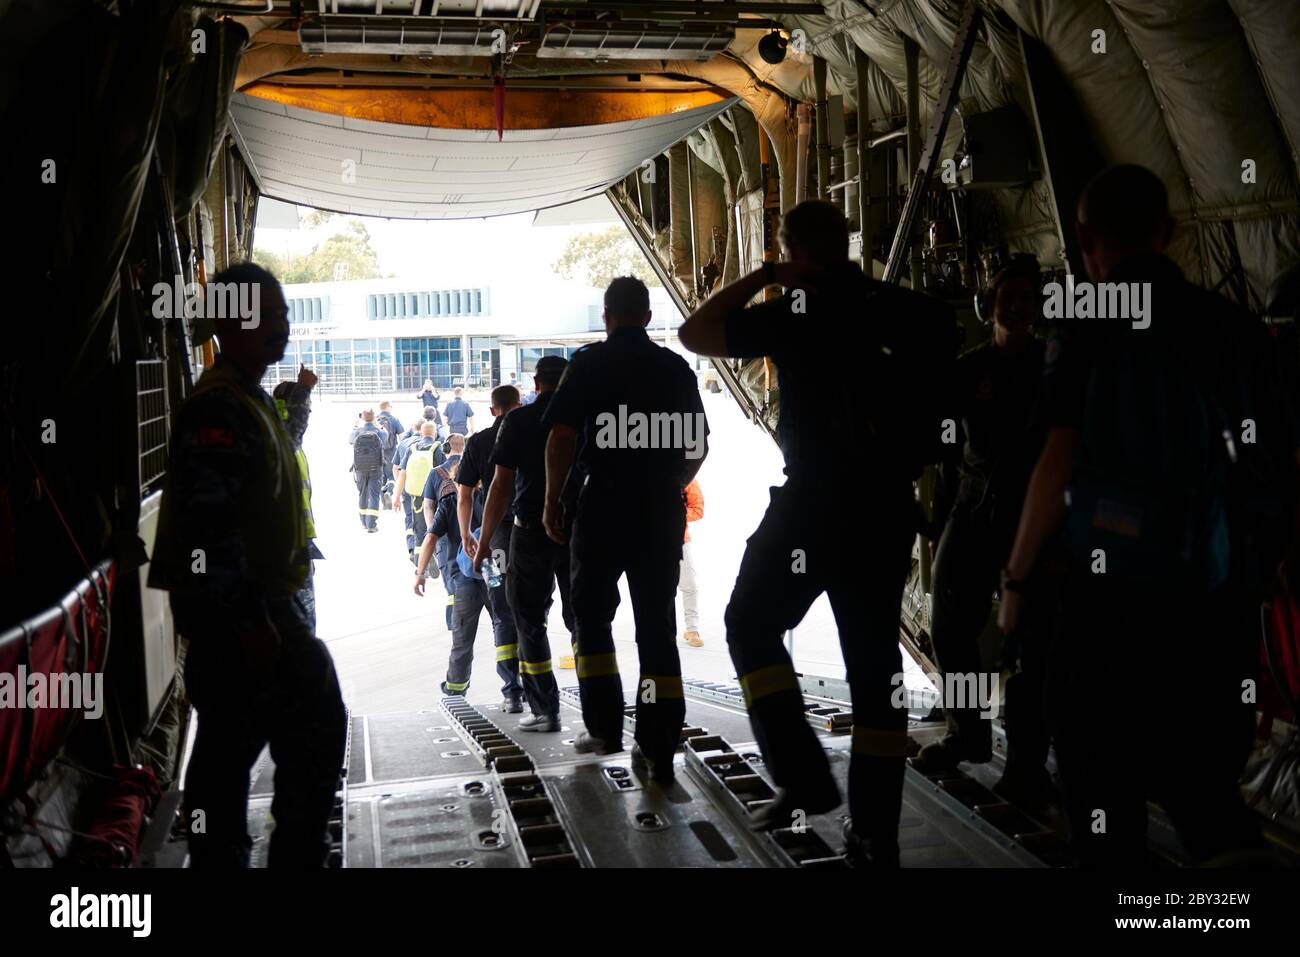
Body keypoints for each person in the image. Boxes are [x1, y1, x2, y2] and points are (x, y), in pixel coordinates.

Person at [998, 164, 1281, 866]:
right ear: (1171, 231)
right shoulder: (1236, 328)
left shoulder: (1085, 328)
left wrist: (1016, 581)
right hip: (1214, 610)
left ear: (1087, 238)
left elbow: (1057, 460)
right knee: (1210, 800)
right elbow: (1278, 465)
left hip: (1106, 609)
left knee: (1102, 807)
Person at [678, 200, 956, 865]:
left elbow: (697, 332)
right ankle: (875, 835)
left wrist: (767, 277)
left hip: (813, 507)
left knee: (749, 623)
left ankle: (803, 776)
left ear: (793, 248)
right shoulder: (905, 309)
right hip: (886, 510)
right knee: (874, 673)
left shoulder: (796, 311)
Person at [147, 261, 345, 868]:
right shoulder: (220, 408)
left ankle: (253, 850)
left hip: (254, 609)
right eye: (269, 313)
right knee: (296, 723)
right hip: (244, 613)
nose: (281, 325)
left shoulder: (247, 398)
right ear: (233, 322)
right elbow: (212, 527)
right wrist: (250, 617)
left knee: (236, 743)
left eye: (284, 313)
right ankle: (284, 850)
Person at [543, 277, 709, 784]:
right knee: (656, 625)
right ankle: (658, 743)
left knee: (591, 617)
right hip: (658, 509)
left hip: (604, 504)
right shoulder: (675, 367)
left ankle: (604, 729)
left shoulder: (589, 363)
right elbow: (698, 445)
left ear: (608, 314)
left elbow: (563, 434)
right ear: (648, 313)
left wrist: (552, 499)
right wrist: (667, 484)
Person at [912, 253, 1054, 809]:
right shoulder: (969, 370)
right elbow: (945, 450)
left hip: (1033, 523)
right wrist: (938, 520)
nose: (1015, 307)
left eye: (1025, 298)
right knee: (950, 629)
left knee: (1032, 646)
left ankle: (1025, 765)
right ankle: (967, 731)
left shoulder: (1051, 368)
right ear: (988, 304)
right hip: (973, 515)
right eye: (1006, 297)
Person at [473, 356, 576, 732]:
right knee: (584, 618)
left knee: (529, 620)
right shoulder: (589, 417)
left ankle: (546, 710)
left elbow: (500, 487)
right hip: (576, 530)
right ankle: (599, 712)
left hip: (530, 530)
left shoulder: (518, 420)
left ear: (536, 384)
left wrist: (484, 542)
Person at [458, 384, 526, 710]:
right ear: (520, 404)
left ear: (492, 410)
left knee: (502, 609)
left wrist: (468, 537)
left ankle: (512, 691)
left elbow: (464, 495)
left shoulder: (479, 441)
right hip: (530, 534)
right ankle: (537, 688)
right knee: (531, 608)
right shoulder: (537, 432)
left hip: (495, 536)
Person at [273, 369, 325, 633]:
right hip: (285, 546)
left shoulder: (287, 446)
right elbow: (292, 427)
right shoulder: (282, 442)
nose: (308, 414)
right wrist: (304, 389)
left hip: (296, 544)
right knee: (301, 624)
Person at [393, 407, 439, 558]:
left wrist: (397, 497)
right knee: (436, 525)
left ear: (420, 432)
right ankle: (434, 554)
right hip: (436, 496)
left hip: (417, 495)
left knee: (418, 529)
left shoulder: (412, 449)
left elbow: (402, 473)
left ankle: (421, 562)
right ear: (435, 433)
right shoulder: (438, 448)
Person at [349, 408, 389, 532]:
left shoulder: (357, 432)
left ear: (362, 418)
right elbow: (386, 439)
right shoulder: (380, 432)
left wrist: (355, 425)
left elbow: (350, 440)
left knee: (362, 494)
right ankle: (371, 525)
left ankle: (363, 522)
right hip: (376, 467)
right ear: (374, 417)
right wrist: (378, 425)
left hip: (360, 468)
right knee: (374, 495)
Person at [679, 478, 705, 648]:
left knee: (690, 585)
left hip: (679, 540)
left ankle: (692, 629)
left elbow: (698, 510)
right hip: (650, 541)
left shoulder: (688, 478)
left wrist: (673, 514)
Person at [376, 400, 403, 510]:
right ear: (387, 407)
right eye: (391, 406)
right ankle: (390, 492)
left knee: (382, 477)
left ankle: (385, 504)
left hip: (378, 452)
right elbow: (402, 437)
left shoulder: (376, 419)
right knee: (392, 475)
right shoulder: (394, 419)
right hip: (391, 451)